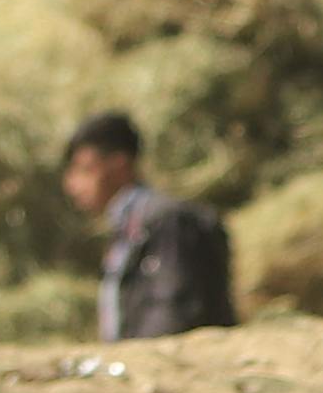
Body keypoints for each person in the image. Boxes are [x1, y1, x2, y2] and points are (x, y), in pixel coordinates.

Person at [58, 110, 236, 341]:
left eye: (84, 170)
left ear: (119, 164)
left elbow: (173, 311)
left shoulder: (167, 222)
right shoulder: (127, 228)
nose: (72, 186)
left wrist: (140, 359)